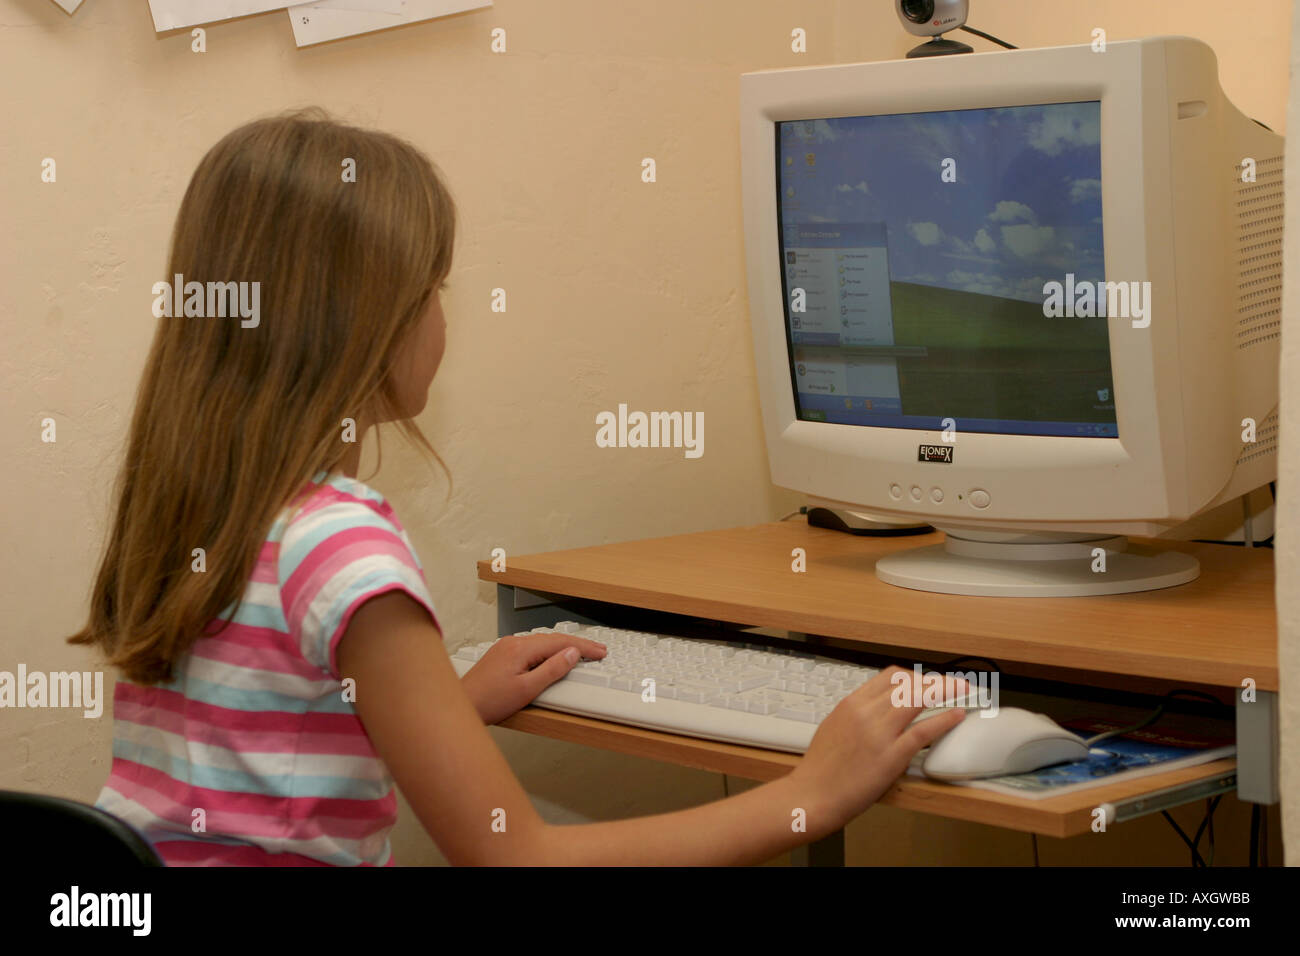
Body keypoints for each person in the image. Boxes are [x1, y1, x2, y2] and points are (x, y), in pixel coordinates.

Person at [69, 109, 966, 865]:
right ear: (363, 321)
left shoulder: (195, 507)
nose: (441, 315)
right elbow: (517, 856)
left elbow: (257, 744)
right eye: (435, 286)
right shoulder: (339, 542)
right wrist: (816, 793)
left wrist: (442, 712)